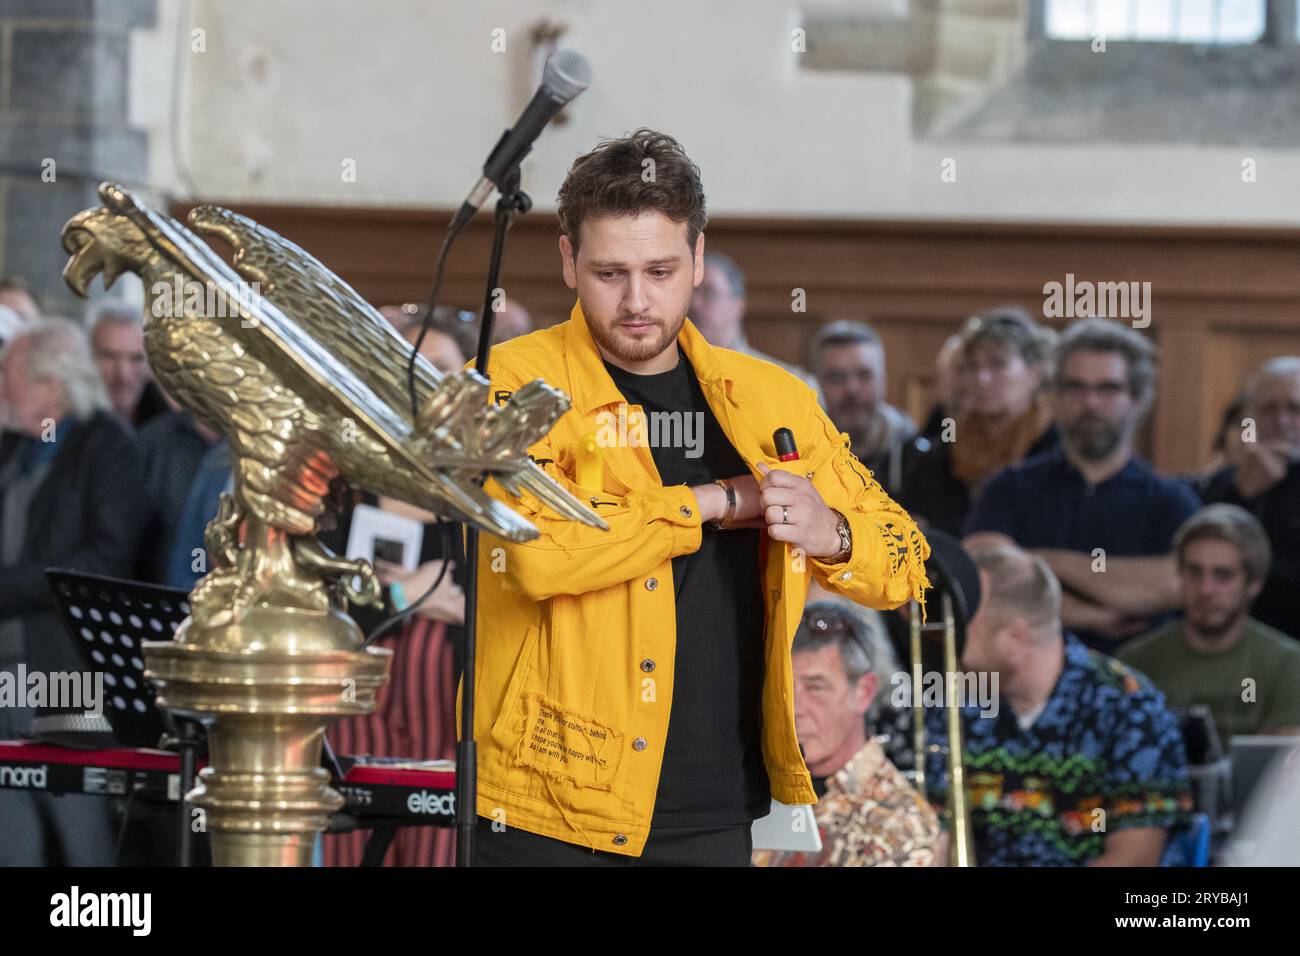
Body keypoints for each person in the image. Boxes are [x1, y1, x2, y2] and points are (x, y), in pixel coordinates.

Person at [468, 128, 931, 866]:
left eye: (660, 269)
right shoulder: (505, 383)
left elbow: (907, 559)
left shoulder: (770, 396)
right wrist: (713, 502)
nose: (637, 301)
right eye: (609, 273)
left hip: (719, 801)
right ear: (567, 262)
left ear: (700, 259)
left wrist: (833, 531)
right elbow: (543, 557)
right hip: (544, 800)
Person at [924, 544, 1191, 866]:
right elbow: (936, 838)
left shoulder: (1129, 707)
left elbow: (1134, 858)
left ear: (1015, 638)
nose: (948, 638)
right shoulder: (957, 701)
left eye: (966, 623)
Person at [0, 319, 148, 865]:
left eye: (8, 373)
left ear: (51, 384)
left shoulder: (105, 446)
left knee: (78, 818)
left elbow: (103, 560)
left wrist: (7, 590)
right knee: (10, 828)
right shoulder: (17, 449)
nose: (0, 386)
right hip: (5, 664)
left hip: (66, 668)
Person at [965, 318, 1200, 653]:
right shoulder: (1009, 489)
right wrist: (1089, 616)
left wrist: (1041, 560)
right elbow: (983, 576)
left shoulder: (1170, 500)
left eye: (1108, 389)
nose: (1090, 403)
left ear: (1137, 398)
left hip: (1136, 683)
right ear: (1056, 397)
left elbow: (1178, 584)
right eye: (1076, 388)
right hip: (1025, 678)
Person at [752, 601, 940, 867]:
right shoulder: (751, 786)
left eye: (816, 688)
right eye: (782, 688)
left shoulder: (901, 824)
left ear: (863, 692)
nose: (793, 709)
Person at [1118, 505, 1300, 737]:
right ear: (1180, 576)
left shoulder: (1287, 665)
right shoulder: (1134, 663)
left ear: (1253, 584)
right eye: (1195, 572)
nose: (1206, 589)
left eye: (1223, 576)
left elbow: (1284, 762)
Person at [899, 307, 1058, 537]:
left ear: (1034, 374)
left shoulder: (1056, 446)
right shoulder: (945, 445)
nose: (982, 379)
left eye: (997, 364)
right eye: (972, 366)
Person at [1199, 357, 1300, 641]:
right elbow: (1196, 553)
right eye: (1269, 409)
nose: (1281, 421)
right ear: (1250, 418)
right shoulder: (1223, 483)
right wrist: (1244, 493)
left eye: (1294, 408)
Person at [812, 320, 916, 494]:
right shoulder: (801, 453)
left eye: (864, 375)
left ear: (883, 381)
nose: (852, 389)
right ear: (818, 384)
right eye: (836, 377)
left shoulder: (915, 455)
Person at [689, 250, 818, 390]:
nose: (694, 303)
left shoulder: (792, 385)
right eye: (690, 292)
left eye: (709, 293)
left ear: (738, 305)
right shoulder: (668, 377)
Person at [88, 301, 167, 428]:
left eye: (136, 359)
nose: (124, 374)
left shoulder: (176, 434)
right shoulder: (58, 427)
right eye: (110, 357)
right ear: (87, 357)